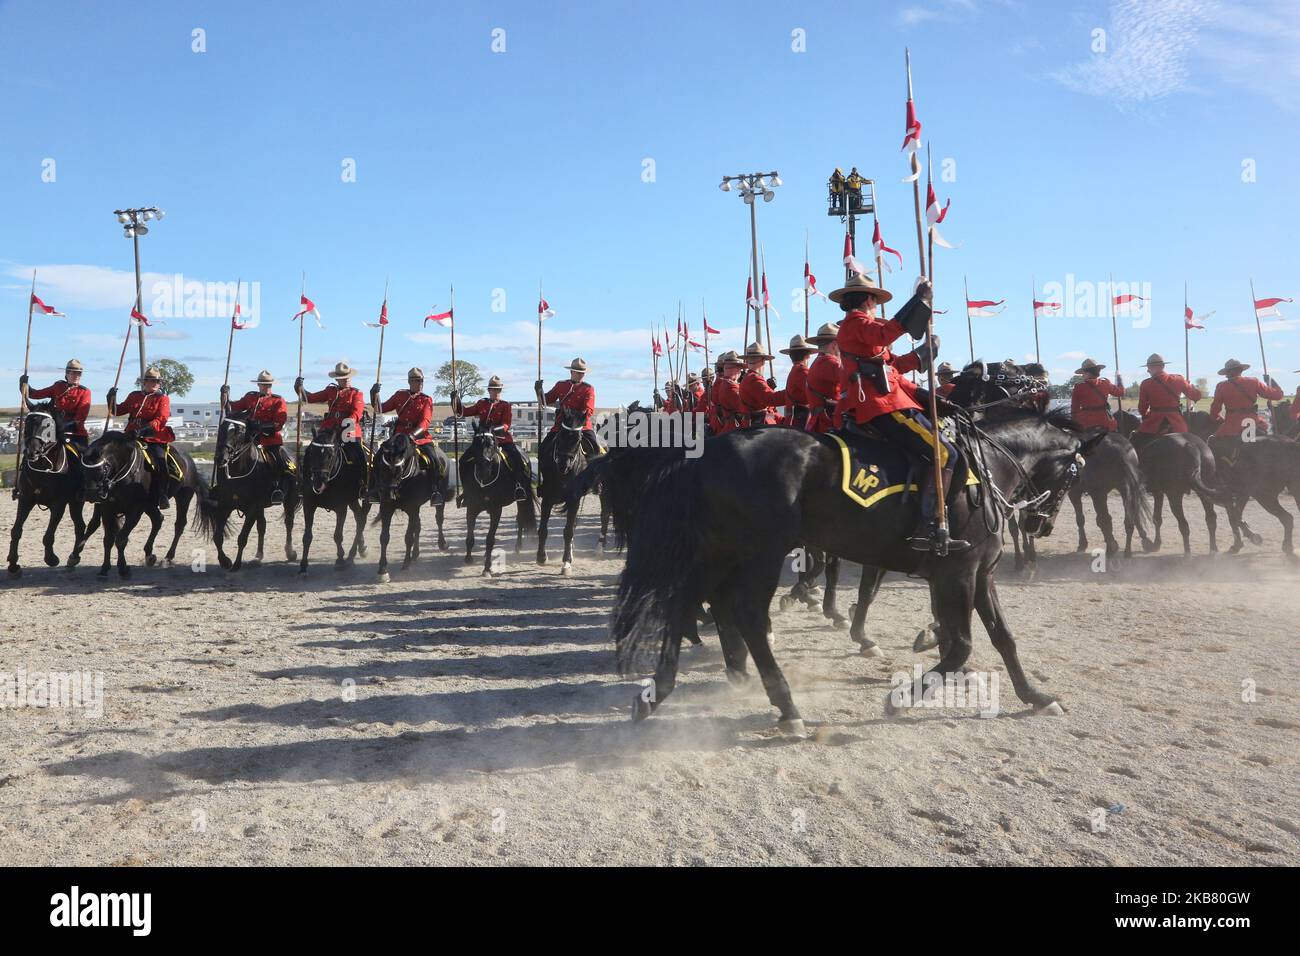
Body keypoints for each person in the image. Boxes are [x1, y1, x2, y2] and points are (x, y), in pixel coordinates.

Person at [831, 272, 957, 553]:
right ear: (868, 299)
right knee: (946, 454)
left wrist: (924, 354)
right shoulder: (856, 324)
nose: (876, 305)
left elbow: (893, 368)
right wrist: (919, 301)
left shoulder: (864, 330)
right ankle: (929, 525)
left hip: (893, 398)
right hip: (881, 405)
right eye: (875, 300)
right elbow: (885, 333)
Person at [107, 366, 176, 510]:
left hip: (153, 438)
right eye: (153, 381)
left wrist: (143, 429)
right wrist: (110, 399)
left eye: (158, 381)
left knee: (160, 461)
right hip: (131, 435)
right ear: (144, 382)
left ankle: (162, 494)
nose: (156, 384)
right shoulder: (134, 396)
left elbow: (161, 419)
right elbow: (117, 411)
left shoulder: (162, 398)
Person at [454, 375, 532, 500]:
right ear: (489, 390)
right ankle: (467, 490)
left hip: (502, 439)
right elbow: (464, 412)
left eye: (498, 390)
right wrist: (456, 400)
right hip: (483, 441)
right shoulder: (481, 403)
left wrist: (493, 431)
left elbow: (506, 424)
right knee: (463, 460)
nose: (496, 392)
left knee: (517, 459)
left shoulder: (505, 405)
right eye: (493, 389)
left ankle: (518, 486)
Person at [223, 370, 295, 504]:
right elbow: (233, 407)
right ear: (258, 385)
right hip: (249, 438)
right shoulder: (250, 397)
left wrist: (259, 426)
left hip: (270, 440)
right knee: (227, 454)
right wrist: (225, 396)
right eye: (263, 384)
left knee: (280, 462)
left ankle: (277, 488)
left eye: (268, 384)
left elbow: (279, 423)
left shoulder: (278, 400)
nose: (265, 387)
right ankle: (225, 485)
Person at [373, 367, 440, 502]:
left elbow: (425, 422)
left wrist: (412, 436)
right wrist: (374, 395)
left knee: (434, 460)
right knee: (378, 456)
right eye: (416, 381)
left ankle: (435, 491)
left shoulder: (426, 399)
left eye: (421, 380)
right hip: (398, 437)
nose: (420, 383)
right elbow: (380, 409)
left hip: (419, 437)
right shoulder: (400, 395)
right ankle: (375, 488)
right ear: (409, 382)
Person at [295, 362, 367, 466]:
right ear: (337, 379)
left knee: (358, 454)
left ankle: (362, 479)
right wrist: (299, 388)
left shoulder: (356, 393)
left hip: (348, 429)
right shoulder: (330, 391)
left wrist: (347, 422)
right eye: (343, 378)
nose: (346, 379)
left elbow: (357, 412)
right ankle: (306, 477)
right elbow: (310, 398)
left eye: (348, 377)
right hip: (330, 429)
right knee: (312, 449)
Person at [536, 357, 600, 458]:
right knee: (543, 450)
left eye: (582, 373)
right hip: (561, 425)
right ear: (571, 372)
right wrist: (539, 391)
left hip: (580, 426)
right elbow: (546, 400)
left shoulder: (588, 388)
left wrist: (576, 420)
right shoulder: (561, 385)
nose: (581, 375)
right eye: (578, 372)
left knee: (595, 450)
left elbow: (589, 410)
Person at [21, 358, 91, 450]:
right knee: (34, 446)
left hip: (74, 432)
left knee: (82, 459)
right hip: (52, 430)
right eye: (73, 373)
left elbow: (80, 418)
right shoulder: (58, 386)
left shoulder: (84, 392)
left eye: (79, 373)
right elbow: (36, 394)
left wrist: (60, 428)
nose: (77, 376)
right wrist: (24, 385)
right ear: (66, 374)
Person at [1209, 358, 1282, 440]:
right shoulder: (1254, 381)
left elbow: (1215, 410)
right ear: (1240, 370)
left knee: (1213, 442)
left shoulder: (1221, 386)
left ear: (1228, 372)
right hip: (1253, 423)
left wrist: (1219, 419)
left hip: (1231, 427)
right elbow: (1277, 395)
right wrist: (1270, 381)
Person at [1137, 353, 1201, 442]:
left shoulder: (1146, 384)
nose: (1148, 371)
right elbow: (1196, 396)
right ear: (1163, 366)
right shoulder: (1179, 379)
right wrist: (1189, 385)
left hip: (1153, 425)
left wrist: (1147, 415)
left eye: (1148, 367)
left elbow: (1142, 409)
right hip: (1177, 425)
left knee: (1136, 446)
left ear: (1152, 367)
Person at [804, 323, 841, 433]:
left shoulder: (819, 361)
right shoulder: (830, 363)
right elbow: (851, 379)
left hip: (822, 420)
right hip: (829, 422)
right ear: (834, 345)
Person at [737, 343, 786, 427]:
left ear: (747, 361)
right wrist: (790, 393)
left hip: (754, 423)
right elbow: (770, 399)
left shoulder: (749, 377)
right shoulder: (754, 378)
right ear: (763, 361)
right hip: (758, 426)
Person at [1070, 358, 1124, 432]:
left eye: (1083, 373)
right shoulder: (1105, 383)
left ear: (1087, 373)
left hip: (1086, 424)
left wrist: (1074, 424)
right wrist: (1119, 379)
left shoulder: (1078, 387)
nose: (1082, 375)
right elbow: (1121, 392)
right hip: (1106, 423)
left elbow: (1074, 410)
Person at [780, 334, 815, 429]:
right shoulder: (802, 371)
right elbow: (817, 391)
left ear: (791, 356)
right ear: (808, 355)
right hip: (801, 423)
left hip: (795, 420)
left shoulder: (795, 370)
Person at [710, 351, 746, 435]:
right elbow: (746, 405)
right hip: (733, 429)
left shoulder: (726, 383)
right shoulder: (727, 385)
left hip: (728, 425)